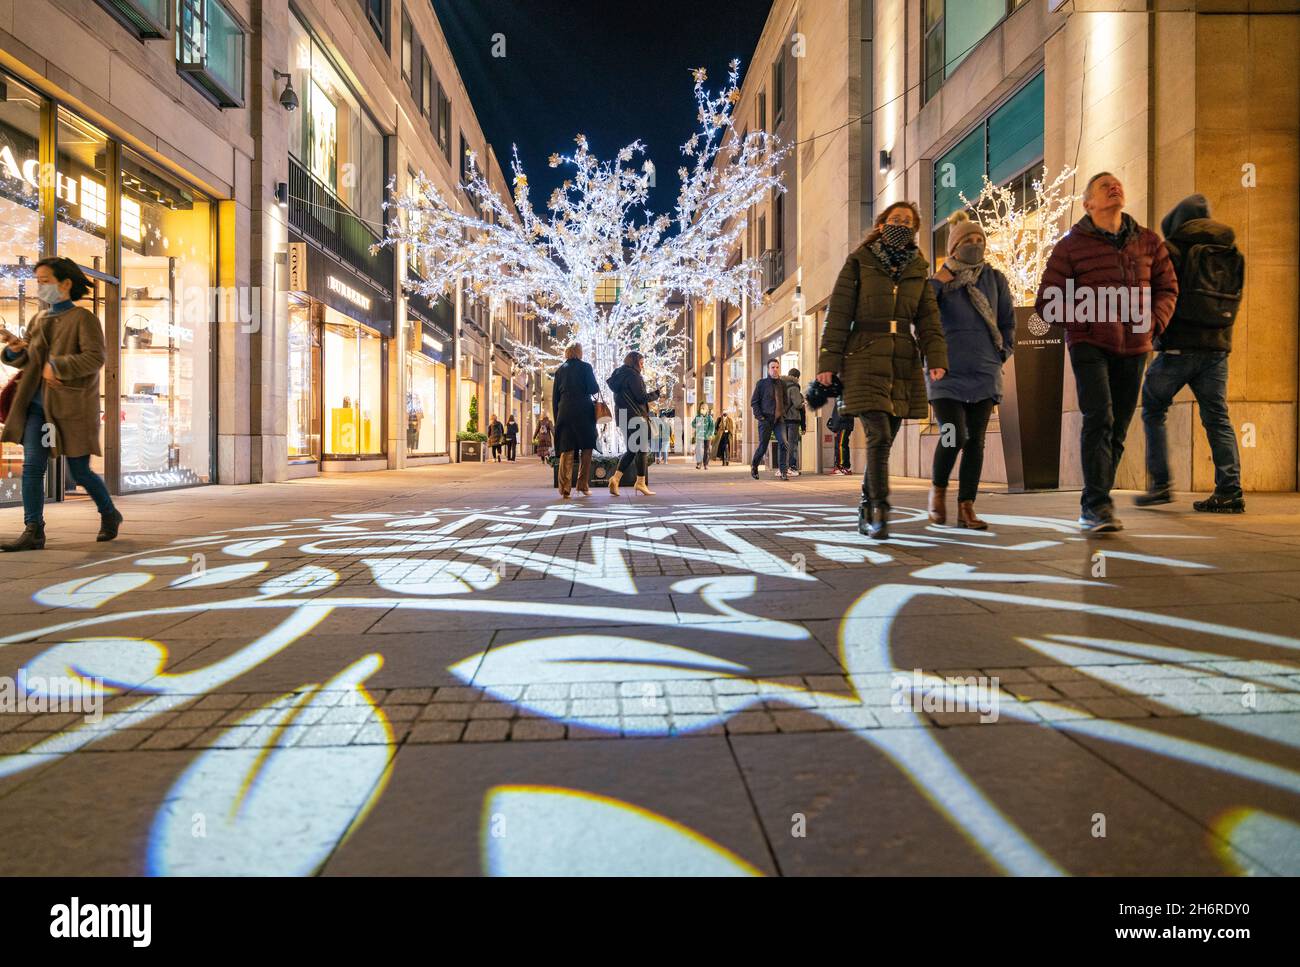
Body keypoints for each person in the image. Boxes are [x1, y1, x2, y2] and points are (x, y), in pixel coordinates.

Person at [1034, 172, 1178, 533]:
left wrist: (1153, 323)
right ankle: (1098, 505)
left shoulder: (1148, 241)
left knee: (1119, 427)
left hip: (1134, 346)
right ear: (1088, 204)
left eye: (1117, 183)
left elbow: (1168, 287)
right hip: (1090, 344)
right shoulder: (1070, 246)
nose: (1114, 187)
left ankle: (1092, 502)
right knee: (1100, 417)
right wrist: (1086, 319)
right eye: (1103, 186)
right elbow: (1047, 301)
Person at [818, 201, 948, 539]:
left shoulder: (918, 267)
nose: (901, 224)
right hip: (862, 354)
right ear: (881, 224)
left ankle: (866, 503)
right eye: (895, 219)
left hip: (901, 360)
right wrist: (828, 363)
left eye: (908, 221)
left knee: (885, 439)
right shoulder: (860, 262)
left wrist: (936, 359)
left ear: (915, 229)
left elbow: (929, 319)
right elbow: (838, 313)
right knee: (877, 435)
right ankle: (878, 508)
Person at [1, 257, 122, 552]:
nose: (40, 287)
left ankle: (109, 513)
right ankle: (34, 529)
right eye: (38, 281)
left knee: (80, 471)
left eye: (45, 281)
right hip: (37, 407)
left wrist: (57, 365)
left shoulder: (84, 319)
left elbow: (96, 358)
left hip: (72, 409)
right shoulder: (40, 319)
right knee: (32, 467)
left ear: (65, 284)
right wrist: (14, 351)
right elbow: (28, 357)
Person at [1137, 194, 1245, 513]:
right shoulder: (1230, 251)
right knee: (1217, 417)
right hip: (1217, 348)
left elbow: (1159, 297)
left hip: (1178, 346)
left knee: (1153, 407)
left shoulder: (1172, 249)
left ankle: (1160, 484)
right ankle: (1229, 490)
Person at [927, 211, 1017, 528]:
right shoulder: (939, 281)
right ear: (953, 247)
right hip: (946, 374)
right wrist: (938, 283)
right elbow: (922, 316)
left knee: (976, 440)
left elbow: (1007, 322)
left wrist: (1002, 352)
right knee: (953, 434)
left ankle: (967, 507)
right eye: (968, 240)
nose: (975, 244)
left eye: (980, 239)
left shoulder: (994, 279)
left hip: (984, 372)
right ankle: (938, 492)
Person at [606, 351, 660, 496]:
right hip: (636, 416)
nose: (642, 366)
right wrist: (656, 394)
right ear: (635, 362)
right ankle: (638, 482)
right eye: (641, 363)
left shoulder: (618, 375)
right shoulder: (633, 375)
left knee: (633, 448)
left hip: (623, 416)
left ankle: (617, 479)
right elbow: (641, 397)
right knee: (640, 448)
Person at [552, 343, 599, 498]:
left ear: (567, 352)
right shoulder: (586, 367)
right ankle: (582, 484)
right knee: (587, 447)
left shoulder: (560, 370)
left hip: (565, 412)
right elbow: (593, 388)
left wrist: (557, 418)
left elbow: (555, 398)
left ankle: (565, 489)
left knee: (567, 450)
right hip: (583, 411)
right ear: (579, 353)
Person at [750, 358, 790, 480]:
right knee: (763, 446)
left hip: (779, 420)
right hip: (765, 419)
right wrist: (760, 417)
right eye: (773, 367)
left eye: (777, 367)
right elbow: (754, 402)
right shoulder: (761, 384)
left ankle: (783, 471)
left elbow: (786, 402)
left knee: (784, 443)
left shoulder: (783, 384)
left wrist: (783, 413)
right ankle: (754, 465)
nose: (775, 370)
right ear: (768, 369)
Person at [781, 368, 806, 476]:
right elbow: (797, 404)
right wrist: (802, 403)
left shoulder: (782, 385)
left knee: (784, 443)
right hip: (793, 418)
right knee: (792, 444)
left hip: (783, 418)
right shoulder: (794, 386)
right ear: (796, 377)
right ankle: (792, 467)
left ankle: (782, 467)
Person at [827, 399, 854, 474]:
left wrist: (835, 428)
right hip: (845, 425)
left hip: (842, 426)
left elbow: (838, 415)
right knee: (844, 445)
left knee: (841, 446)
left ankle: (841, 466)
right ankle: (845, 466)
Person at [691, 402, 715, 469]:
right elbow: (692, 424)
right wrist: (696, 425)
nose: (702, 409)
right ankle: (698, 464)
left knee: (706, 451)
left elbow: (712, 427)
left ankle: (706, 464)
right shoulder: (698, 417)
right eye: (701, 408)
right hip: (699, 436)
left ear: (707, 409)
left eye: (704, 408)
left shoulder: (709, 417)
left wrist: (710, 434)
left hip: (707, 437)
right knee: (698, 450)